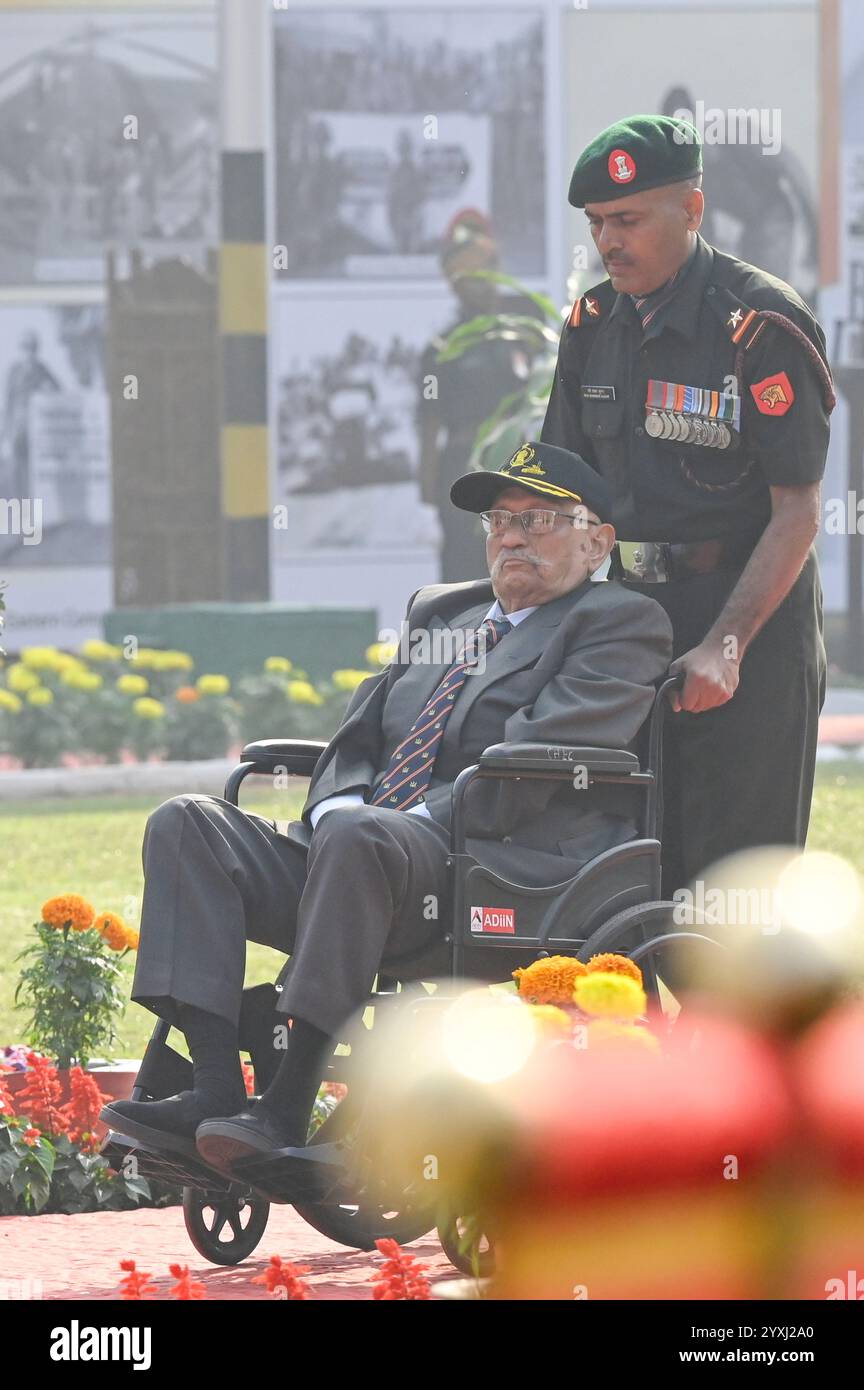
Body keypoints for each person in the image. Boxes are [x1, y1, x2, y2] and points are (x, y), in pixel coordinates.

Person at [103, 440, 672, 1179]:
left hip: (492, 863)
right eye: (501, 520)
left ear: (598, 542)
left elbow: (549, 751)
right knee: (188, 823)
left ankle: (284, 1106)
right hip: (360, 855)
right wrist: (336, 807)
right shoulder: (443, 612)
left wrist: (393, 823)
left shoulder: (619, 621)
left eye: (539, 520)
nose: (512, 537)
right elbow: (359, 734)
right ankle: (212, 1088)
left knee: (361, 837)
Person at [540, 114, 835, 897]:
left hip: (747, 627)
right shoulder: (592, 327)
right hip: (631, 626)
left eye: (628, 220)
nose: (608, 242)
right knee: (627, 876)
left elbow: (798, 512)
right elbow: (561, 490)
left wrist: (725, 647)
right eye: (597, 223)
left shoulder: (759, 326)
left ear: (692, 210)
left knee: (737, 891)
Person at [417, 209, 542, 581]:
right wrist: (426, 506)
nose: (476, 280)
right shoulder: (442, 348)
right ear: (450, 280)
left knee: (523, 575)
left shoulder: (528, 326)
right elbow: (429, 429)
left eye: (485, 265)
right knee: (465, 581)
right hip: (463, 474)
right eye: (463, 271)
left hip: (520, 470)